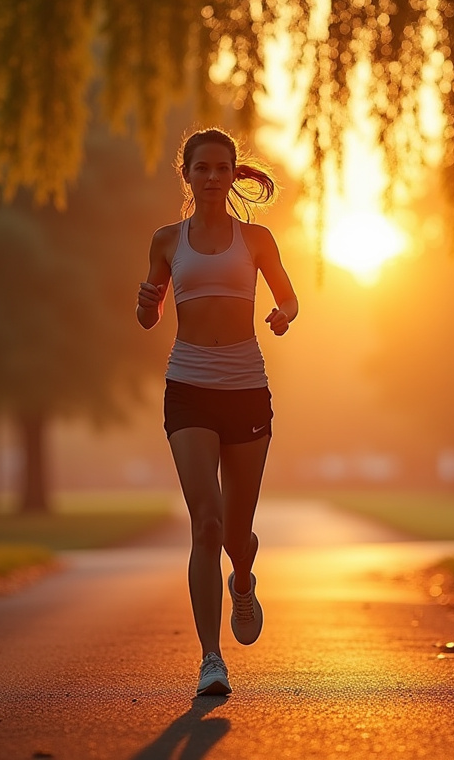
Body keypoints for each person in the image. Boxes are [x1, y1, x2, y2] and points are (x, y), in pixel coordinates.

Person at [136, 128, 299, 697]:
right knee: (205, 523)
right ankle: (211, 659)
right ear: (187, 175)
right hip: (188, 387)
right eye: (201, 168)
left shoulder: (256, 239)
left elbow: (287, 296)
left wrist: (282, 315)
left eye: (221, 168)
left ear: (233, 175)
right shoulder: (166, 240)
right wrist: (145, 304)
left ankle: (244, 578)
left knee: (235, 533)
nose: (211, 177)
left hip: (246, 388)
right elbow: (150, 316)